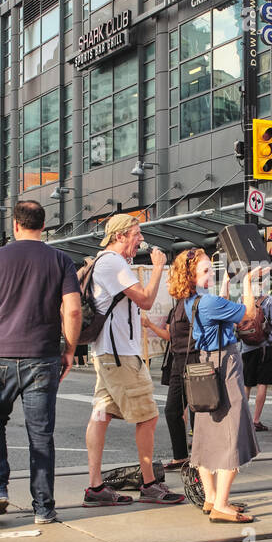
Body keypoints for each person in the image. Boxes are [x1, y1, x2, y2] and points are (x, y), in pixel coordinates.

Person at [0, 200, 82, 521]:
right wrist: (70, 349)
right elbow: (73, 310)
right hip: (43, 356)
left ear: (15, 226)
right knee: (41, 434)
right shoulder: (60, 260)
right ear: (42, 226)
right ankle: (44, 509)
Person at [83, 215, 183, 506]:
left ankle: (95, 487)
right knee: (149, 416)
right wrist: (158, 268)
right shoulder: (113, 262)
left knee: (100, 415)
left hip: (109, 354)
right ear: (121, 236)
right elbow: (146, 300)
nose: (140, 239)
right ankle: (149, 483)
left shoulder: (104, 262)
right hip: (121, 356)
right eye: (137, 234)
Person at [185, 254, 261, 523]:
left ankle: (210, 498)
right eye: (205, 270)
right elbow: (249, 313)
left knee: (206, 432)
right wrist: (249, 283)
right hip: (225, 365)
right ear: (191, 276)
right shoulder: (210, 302)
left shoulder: (191, 301)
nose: (211, 273)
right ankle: (221, 505)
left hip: (206, 368)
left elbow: (220, 309)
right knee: (234, 431)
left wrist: (227, 285)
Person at [142, 249, 198, 471]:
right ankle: (181, 456)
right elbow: (170, 335)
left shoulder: (197, 303)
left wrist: (150, 326)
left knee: (198, 412)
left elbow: (169, 334)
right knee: (173, 410)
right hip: (178, 362)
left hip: (195, 361)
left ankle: (199, 458)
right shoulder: (176, 307)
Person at [238, 270, 272, 432]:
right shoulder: (270, 301)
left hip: (246, 348)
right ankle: (256, 420)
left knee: (246, 384)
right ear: (263, 284)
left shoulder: (241, 300)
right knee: (262, 384)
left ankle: (242, 418)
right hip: (266, 347)